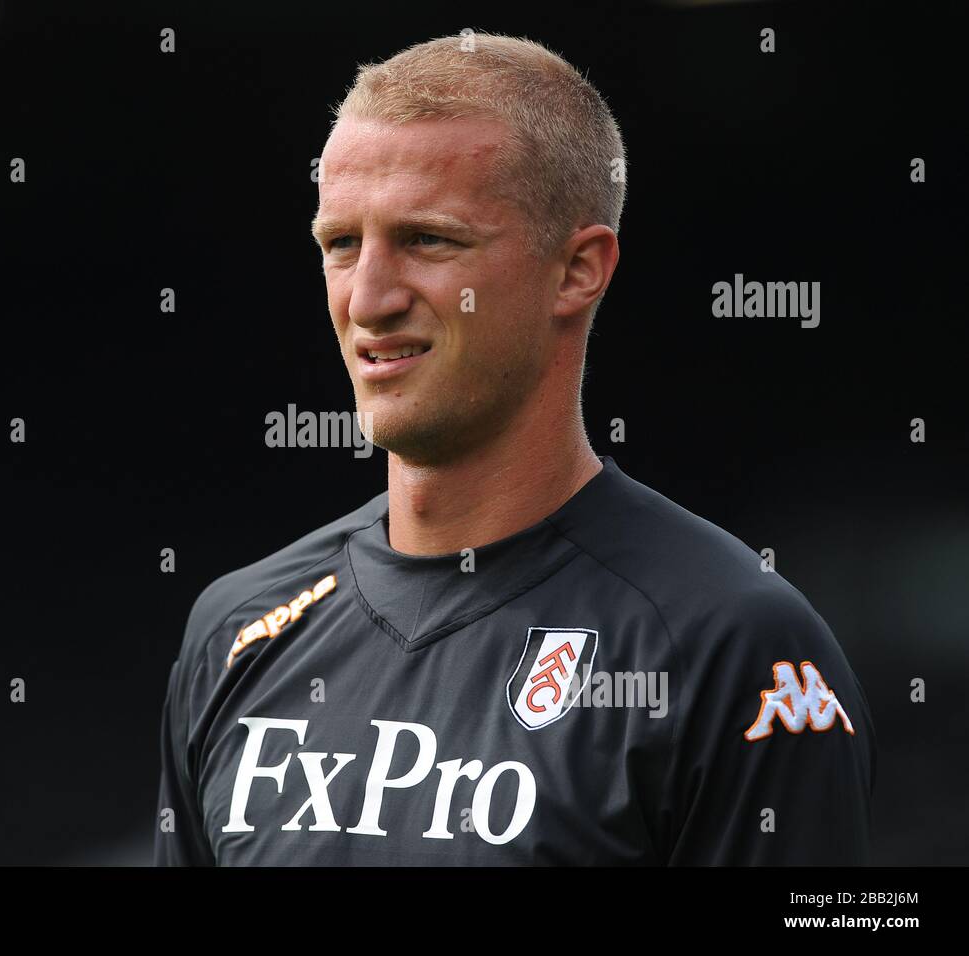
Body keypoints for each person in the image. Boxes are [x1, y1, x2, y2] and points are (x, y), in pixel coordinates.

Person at [154, 32, 874, 865]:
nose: (369, 298)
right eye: (341, 244)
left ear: (577, 271)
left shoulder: (734, 647)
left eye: (428, 240)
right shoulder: (237, 629)